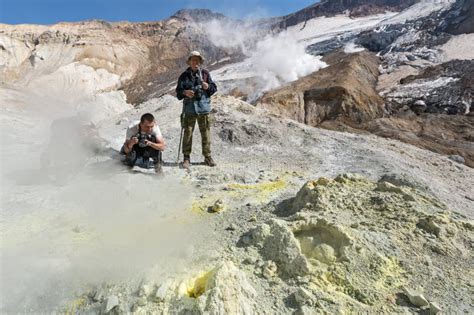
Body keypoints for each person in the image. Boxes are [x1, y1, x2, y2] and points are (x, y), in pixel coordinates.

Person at [176, 50, 217, 169]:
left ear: (200, 62)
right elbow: (178, 92)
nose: (195, 62)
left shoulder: (205, 74)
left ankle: (207, 156)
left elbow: (213, 89)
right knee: (188, 134)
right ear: (189, 62)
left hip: (204, 108)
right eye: (193, 60)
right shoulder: (184, 76)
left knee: (206, 134)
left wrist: (208, 86)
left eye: (197, 60)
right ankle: (186, 158)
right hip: (189, 109)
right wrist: (185, 92)